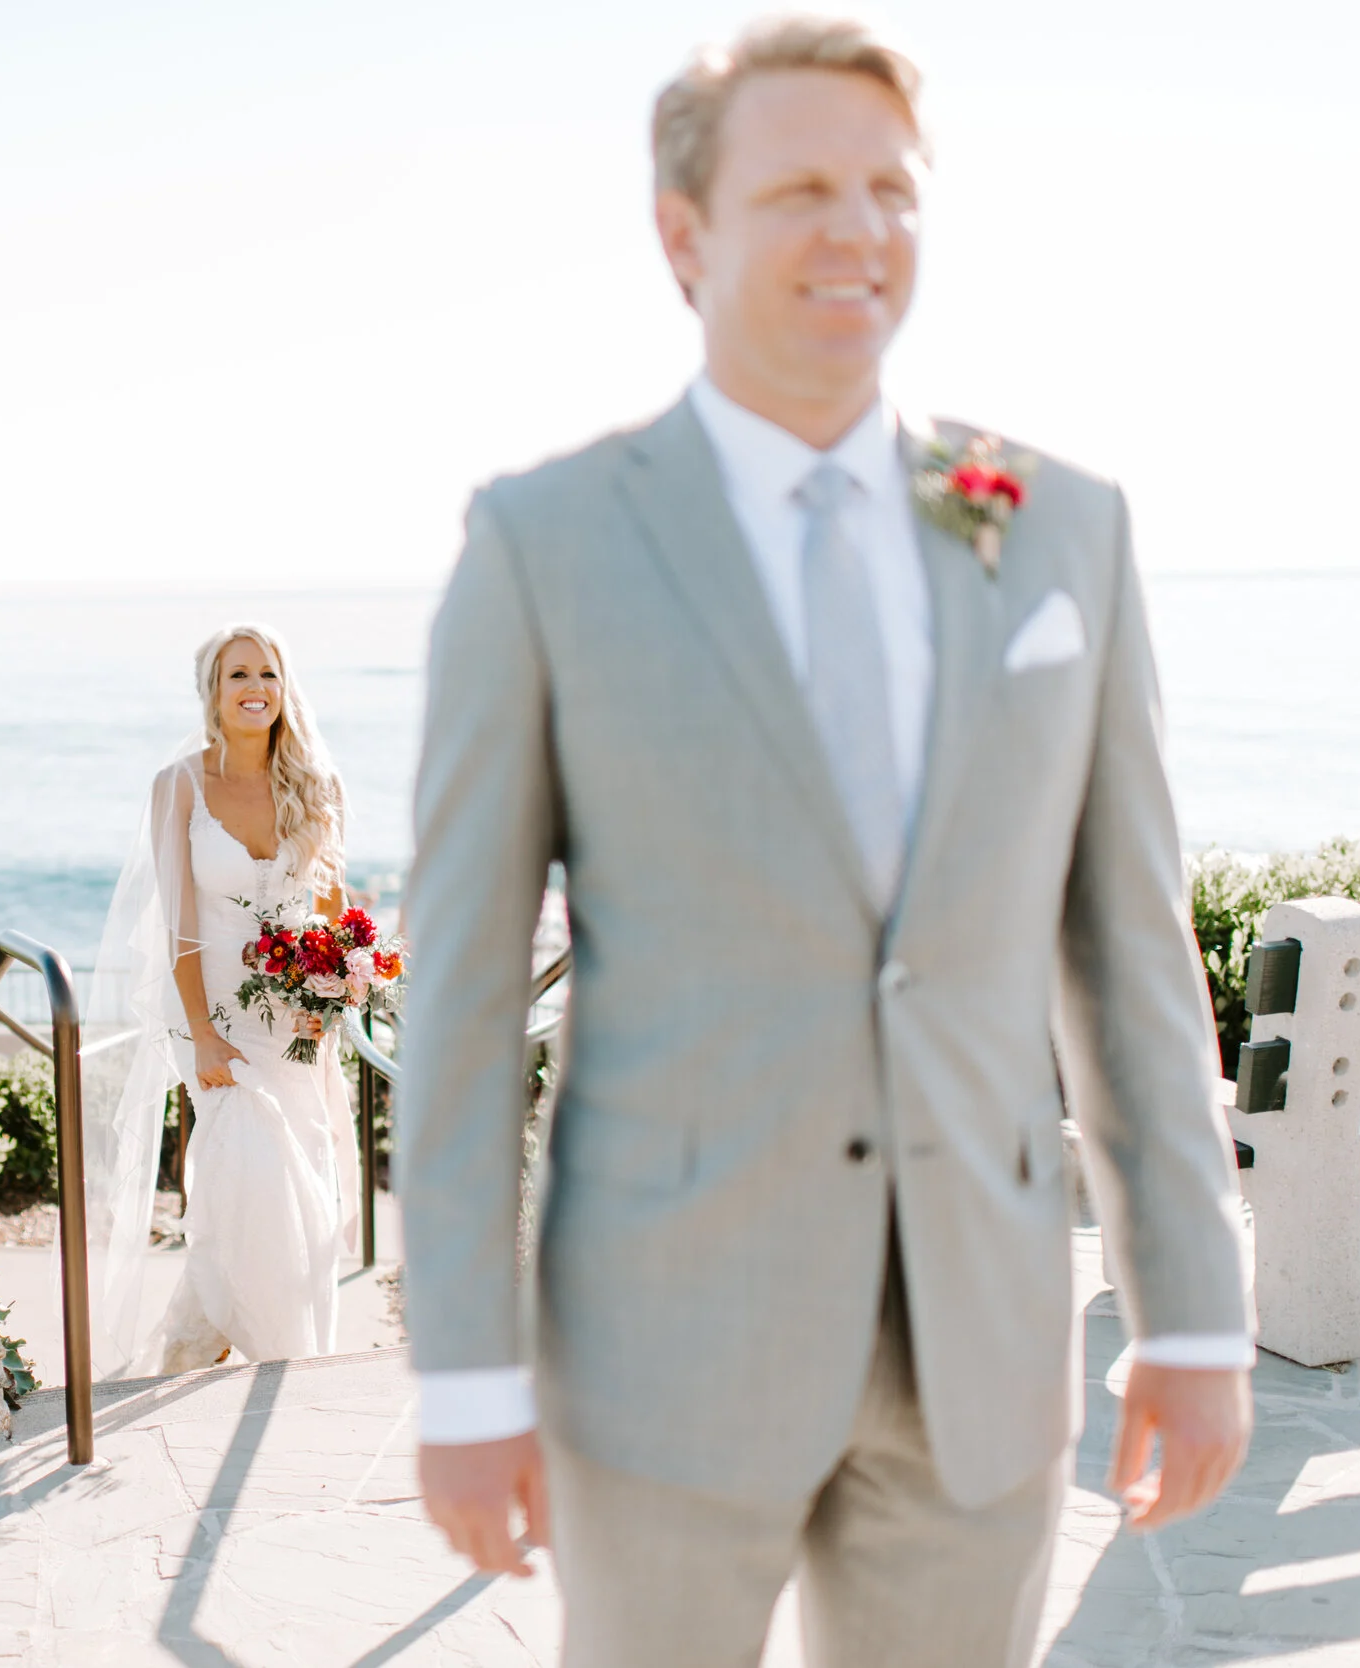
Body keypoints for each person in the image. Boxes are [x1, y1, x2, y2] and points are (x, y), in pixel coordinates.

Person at [398, 20, 1253, 1666]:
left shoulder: (1061, 527)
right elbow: (464, 999)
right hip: (662, 1353)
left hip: (981, 1351)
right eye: (801, 189)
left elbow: (1133, 953)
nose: (858, 228)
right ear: (684, 234)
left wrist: (1195, 1314)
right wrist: (466, 1373)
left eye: (892, 189)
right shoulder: (543, 545)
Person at [82, 625, 360, 1376]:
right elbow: (177, 924)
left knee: (297, 1173)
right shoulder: (178, 785)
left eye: (267, 673)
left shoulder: (318, 785)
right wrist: (202, 1032)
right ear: (212, 689)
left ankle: (197, 1341)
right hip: (214, 1014)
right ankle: (282, 1355)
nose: (255, 688)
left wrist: (326, 998)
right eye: (238, 674)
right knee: (252, 1163)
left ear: (284, 687)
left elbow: (331, 911)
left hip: (295, 1018)